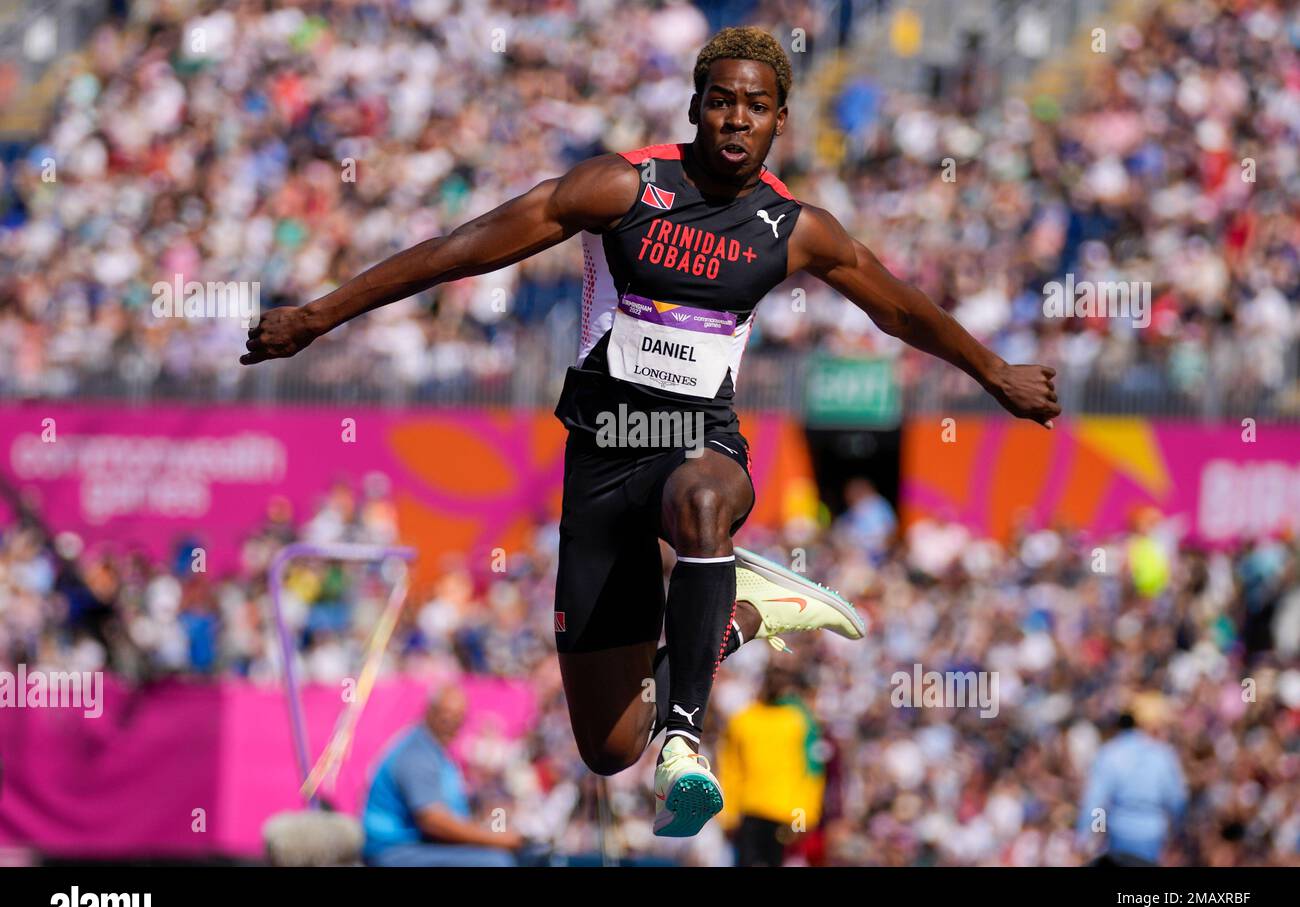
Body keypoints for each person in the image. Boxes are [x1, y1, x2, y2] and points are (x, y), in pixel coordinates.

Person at [242, 27, 1060, 838]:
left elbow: (900, 307)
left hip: (696, 440)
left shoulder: (794, 228)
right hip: (601, 460)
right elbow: (463, 251)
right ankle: (742, 614)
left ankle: (686, 741)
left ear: (781, 121)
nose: (737, 119)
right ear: (697, 107)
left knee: (706, 504)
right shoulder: (622, 188)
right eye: (722, 101)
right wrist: (319, 317)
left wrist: (996, 373)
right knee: (607, 748)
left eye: (758, 106)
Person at [361, 683, 525, 866]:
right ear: (429, 712)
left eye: (458, 718)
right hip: (394, 850)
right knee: (496, 861)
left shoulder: (435, 751)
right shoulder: (416, 754)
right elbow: (432, 821)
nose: (451, 723)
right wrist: (497, 840)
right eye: (445, 715)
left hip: (419, 845)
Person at [717, 661, 826, 866]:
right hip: (753, 811)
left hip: (781, 813)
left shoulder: (799, 722)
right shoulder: (744, 720)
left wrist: (804, 817)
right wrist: (727, 813)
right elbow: (729, 768)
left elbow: (811, 772)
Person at [1076, 707, 1188, 865]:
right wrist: (1177, 832)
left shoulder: (1109, 753)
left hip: (1120, 835)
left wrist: (1091, 836)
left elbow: (1096, 803)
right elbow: (1177, 800)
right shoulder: (1161, 753)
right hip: (1153, 834)